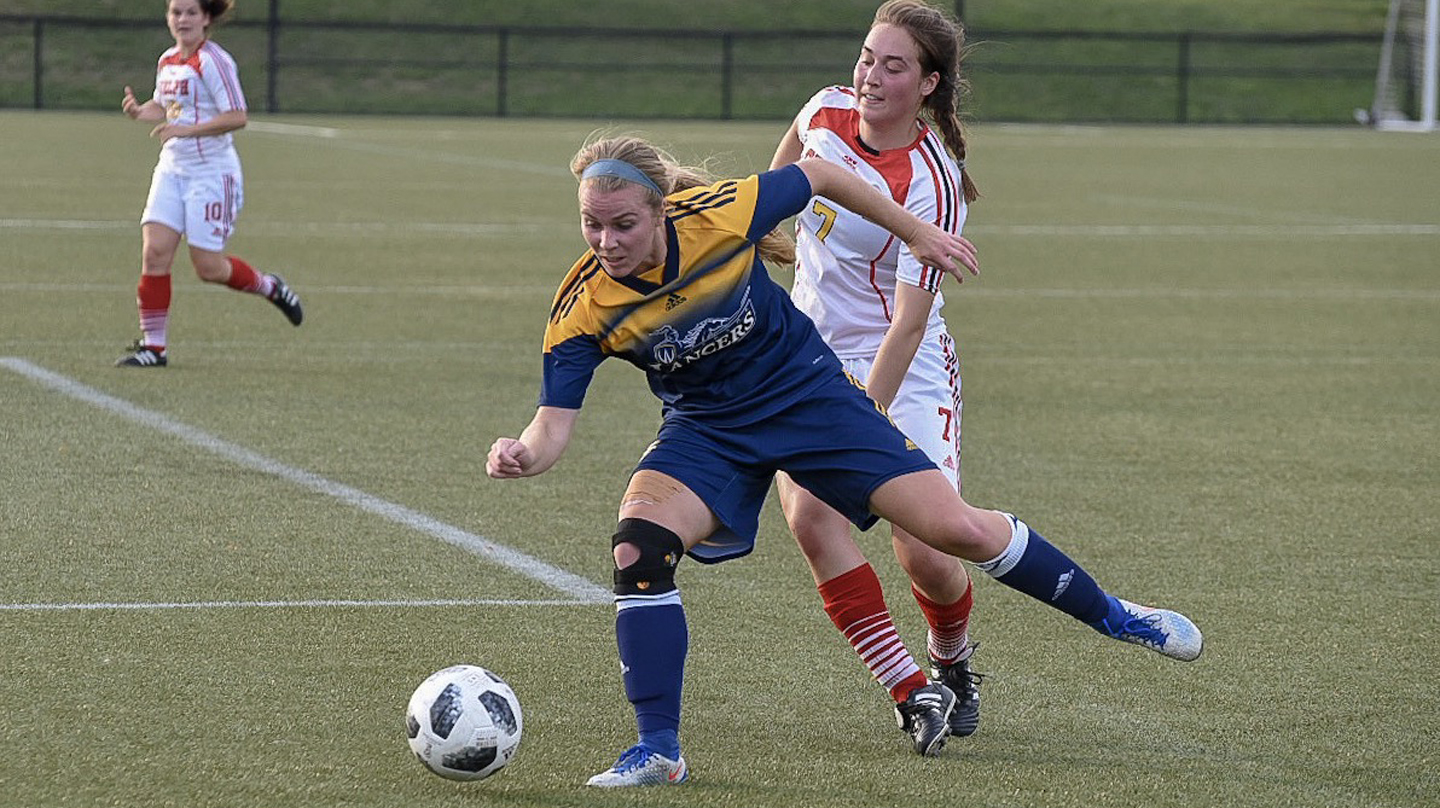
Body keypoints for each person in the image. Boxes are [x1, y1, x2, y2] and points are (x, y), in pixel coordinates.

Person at [487, 134, 1202, 788]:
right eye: (592, 224)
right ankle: (659, 750)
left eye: (622, 225)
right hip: (708, 431)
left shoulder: (721, 211)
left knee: (959, 532)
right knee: (638, 546)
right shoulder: (583, 306)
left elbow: (822, 173)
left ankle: (1116, 615)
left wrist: (917, 231)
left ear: (663, 211)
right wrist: (524, 453)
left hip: (811, 400)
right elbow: (552, 427)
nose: (605, 241)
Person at [768, 0, 986, 742]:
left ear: (928, 84)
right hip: (806, 359)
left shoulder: (934, 181)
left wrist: (860, 419)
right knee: (810, 516)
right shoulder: (824, 110)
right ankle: (910, 690)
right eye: (867, 57)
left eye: (894, 66)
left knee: (927, 547)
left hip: (904, 364)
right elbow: (779, 184)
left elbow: (909, 322)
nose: (870, 75)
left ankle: (952, 659)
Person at [115, 0, 301, 368]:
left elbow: (237, 116)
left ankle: (270, 287)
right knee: (154, 253)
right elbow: (167, 108)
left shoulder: (215, 61)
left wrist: (186, 130)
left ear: (206, 18)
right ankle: (154, 347)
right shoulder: (167, 60)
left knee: (208, 268)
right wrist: (142, 111)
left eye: (190, 12)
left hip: (211, 173)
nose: (182, 20)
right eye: (175, 12)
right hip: (172, 168)